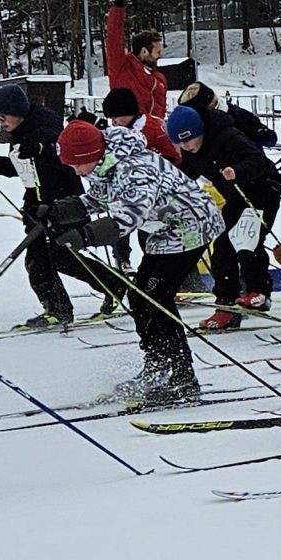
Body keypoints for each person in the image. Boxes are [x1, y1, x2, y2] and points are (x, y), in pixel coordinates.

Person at [57, 116, 219, 404]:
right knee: (140, 295)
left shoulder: (135, 168)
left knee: (156, 297)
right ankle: (158, 364)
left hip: (191, 226)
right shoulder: (107, 162)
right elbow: (101, 198)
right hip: (165, 229)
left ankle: (181, 375)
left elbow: (129, 216)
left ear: (92, 153)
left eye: (77, 163)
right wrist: (58, 211)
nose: (75, 170)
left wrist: (85, 235)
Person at [0, 82, 122, 328]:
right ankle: (59, 309)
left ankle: (113, 287)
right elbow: (20, 167)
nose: (1, 123)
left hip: (63, 202)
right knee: (38, 260)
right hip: (37, 205)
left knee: (61, 256)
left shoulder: (45, 124)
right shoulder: (20, 132)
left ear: (17, 111)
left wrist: (41, 149)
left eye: (3, 117)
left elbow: (58, 154)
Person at [164, 91, 281, 329]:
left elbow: (258, 161)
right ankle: (226, 304)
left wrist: (237, 170)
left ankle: (259, 292)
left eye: (189, 141)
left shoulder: (227, 135)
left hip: (261, 193)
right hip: (235, 198)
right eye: (180, 144)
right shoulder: (191, 150)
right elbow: (187, 173)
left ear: (200, 131)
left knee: (246, 240)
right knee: (221, 247)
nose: (186, 147)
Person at [103, 0, 168, 124]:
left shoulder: (159, 79)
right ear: (144, 51)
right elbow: (114, 36)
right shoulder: (122, 68)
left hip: (155, 132)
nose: (160, 56)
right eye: (157, 52)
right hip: (130, 131)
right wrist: (119, 1)